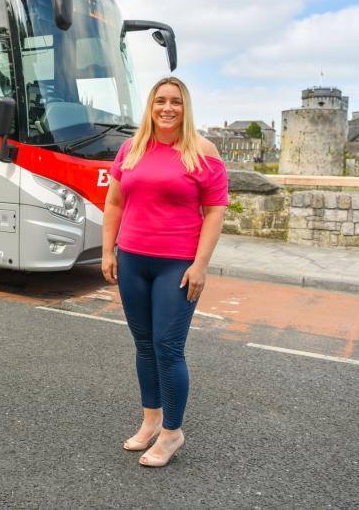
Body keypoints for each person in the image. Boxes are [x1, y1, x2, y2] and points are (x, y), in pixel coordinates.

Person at [101, 77, 228, 467]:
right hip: (134, 259)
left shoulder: (203, 152)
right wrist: (109, 251)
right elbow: (115, 202)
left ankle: (173, 433)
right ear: (151, 106)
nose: (167, 108)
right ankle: (151, 420)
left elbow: (216, 211)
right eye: (160, 101)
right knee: (143, 346)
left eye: (175, 101)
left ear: (185, 107)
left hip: (177, 265)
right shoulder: (132, 147)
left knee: (167, 348)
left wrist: (201, 265)